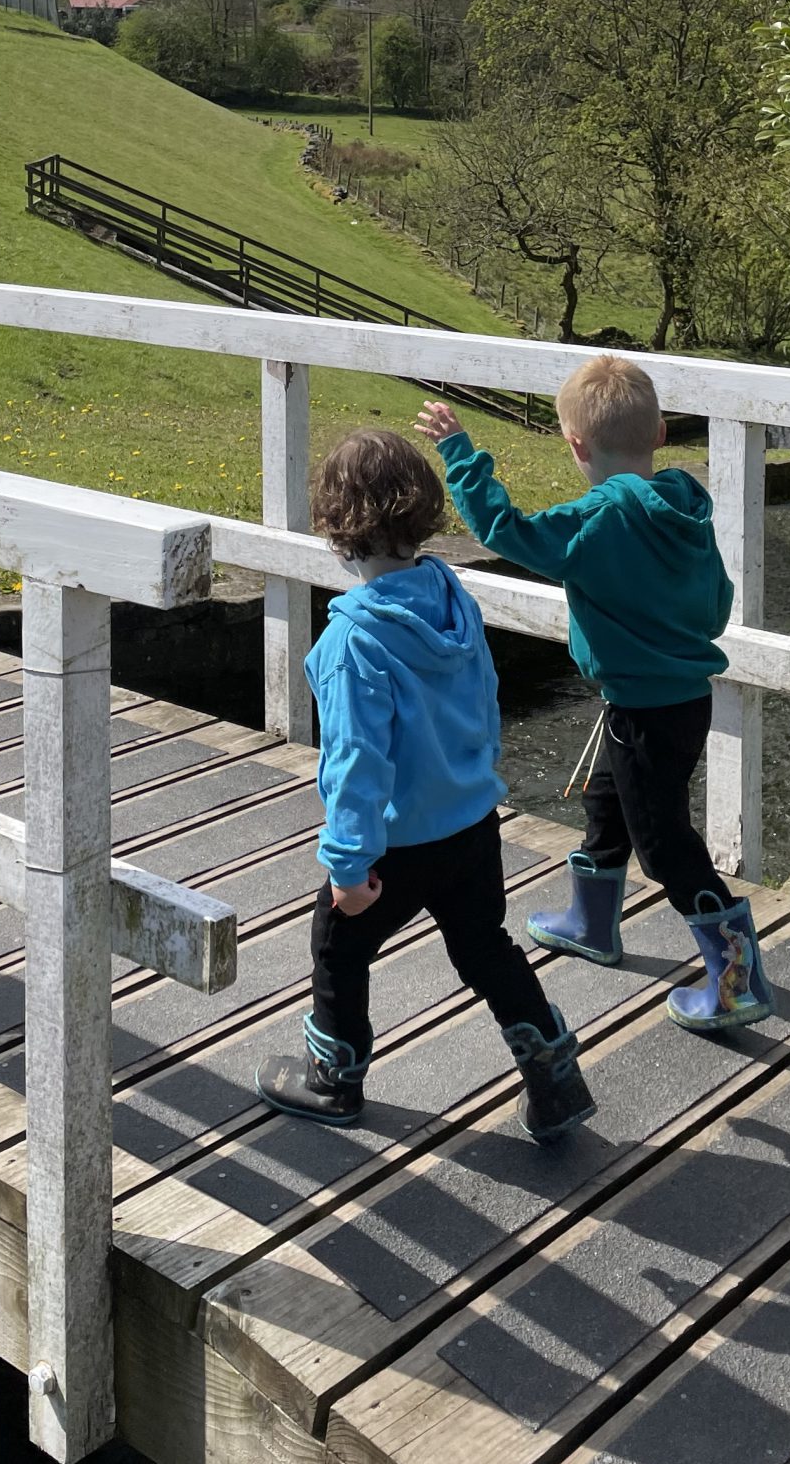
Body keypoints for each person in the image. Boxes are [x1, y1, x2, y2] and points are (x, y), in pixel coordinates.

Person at [254, 427, 595, 1145]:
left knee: (339, 946)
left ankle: (335, 1078)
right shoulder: (451, 596)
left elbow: (355, 764)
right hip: (472, 824)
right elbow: (483, 692)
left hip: (397, 841)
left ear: (335, 527)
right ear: (424, 513)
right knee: (484, 949)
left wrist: (348, 868)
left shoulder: (352, 642)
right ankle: (554, 1075)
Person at [416, 353, 776, 1031]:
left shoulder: (598, 519)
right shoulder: (688, 510)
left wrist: (460, 454)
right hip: (680, 701)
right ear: (660, 432)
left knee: (666, 844)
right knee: (609, 802)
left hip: (641, 708)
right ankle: (591, 922)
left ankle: (738, 979)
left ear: (575, 444)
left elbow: (507, 532)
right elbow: (717, 605)